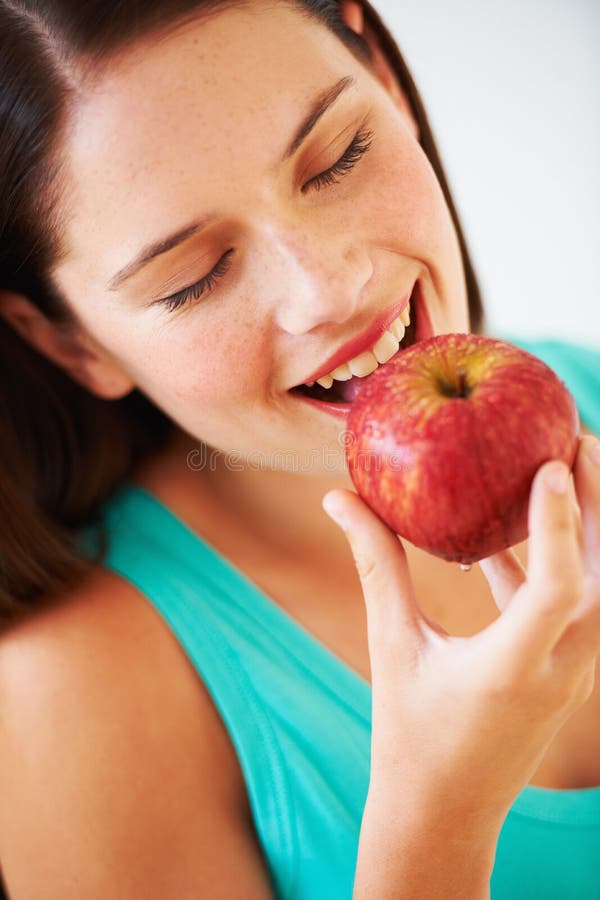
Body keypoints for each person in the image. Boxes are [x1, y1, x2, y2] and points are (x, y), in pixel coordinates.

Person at [0, 0, 599, 896]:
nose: (331, 288)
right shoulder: (71, 700)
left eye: (338, 158)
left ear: (388, 84)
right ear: (72, 344)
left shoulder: (582, 386)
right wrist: (439, 811)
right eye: (193, 277)